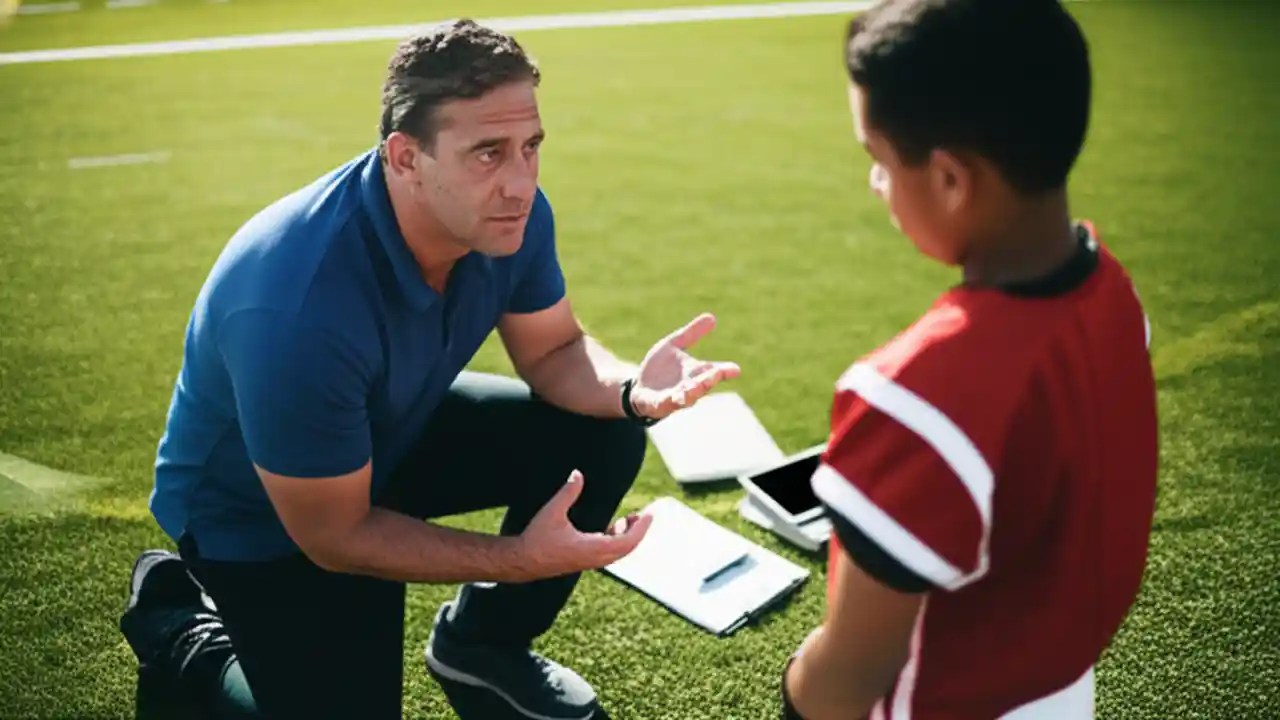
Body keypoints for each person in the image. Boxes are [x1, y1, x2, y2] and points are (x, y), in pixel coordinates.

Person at [118, 19, 740, 720]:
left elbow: (554, 353)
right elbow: (336, 537)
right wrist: (519, 558)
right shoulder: (295, 301)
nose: (521, 181)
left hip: (385, 435)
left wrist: (631, 390)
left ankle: (481, 644)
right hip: (262, 517)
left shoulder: (511, 215)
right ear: (406, 157)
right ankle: (185, 637)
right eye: (488, 153)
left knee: (603, 432)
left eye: (531, 148)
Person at [781, 1, 1158, 718]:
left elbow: (850, 677)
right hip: (1064, 693)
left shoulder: (913, 395)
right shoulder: (1114, 292)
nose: (875, 184)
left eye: (880, 161)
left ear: (952, 181)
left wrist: (800, 682)